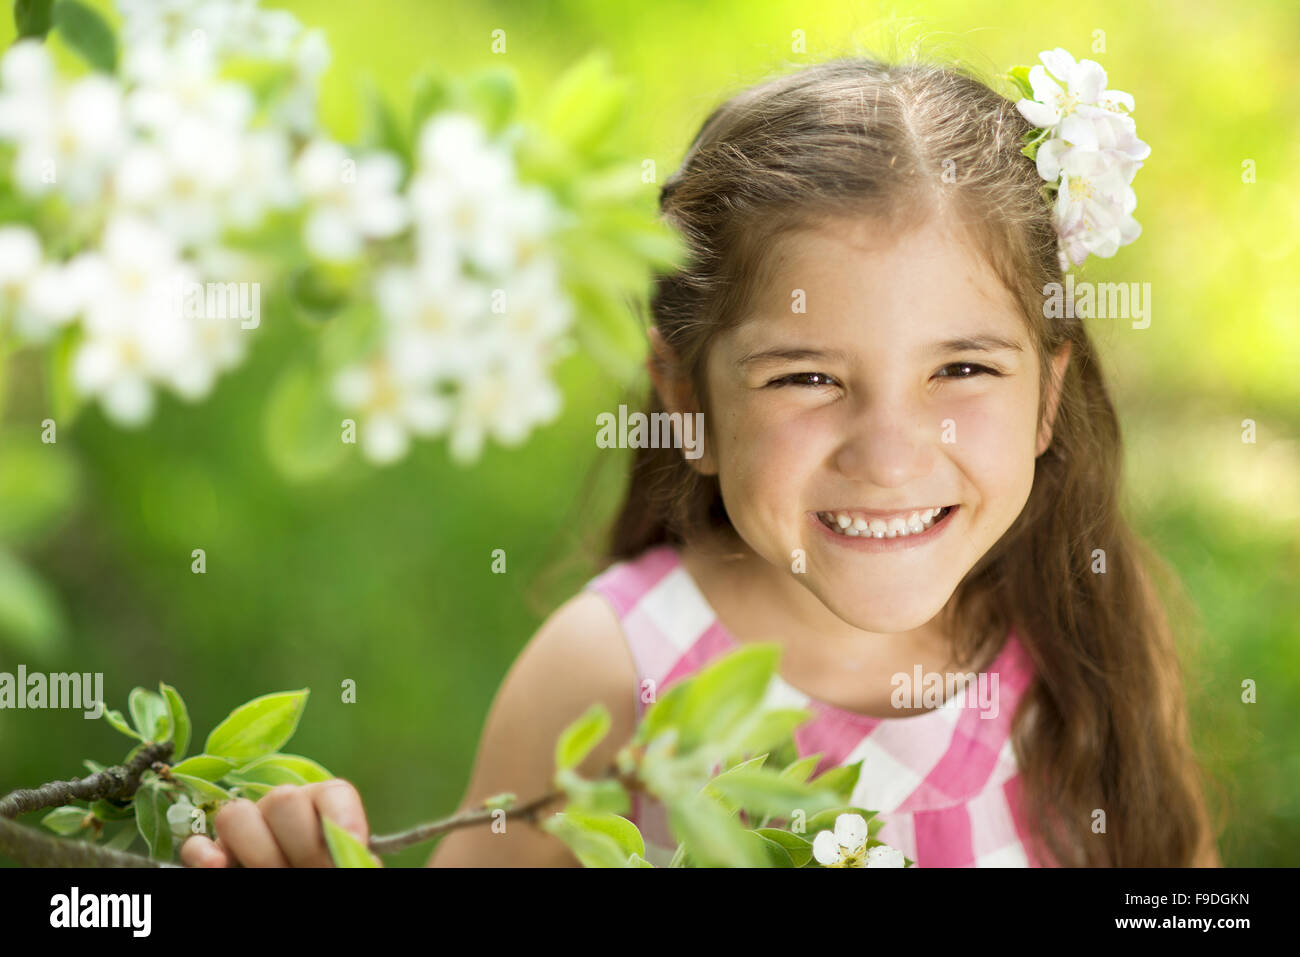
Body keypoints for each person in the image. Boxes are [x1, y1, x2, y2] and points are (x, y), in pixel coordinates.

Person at [181, 52, 1221, 868]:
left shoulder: (1074, 623)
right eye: (807, 378)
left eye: (959, 369)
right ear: (689, 398)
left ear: (1047, 392)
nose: (891, 456)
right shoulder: (612, 669)